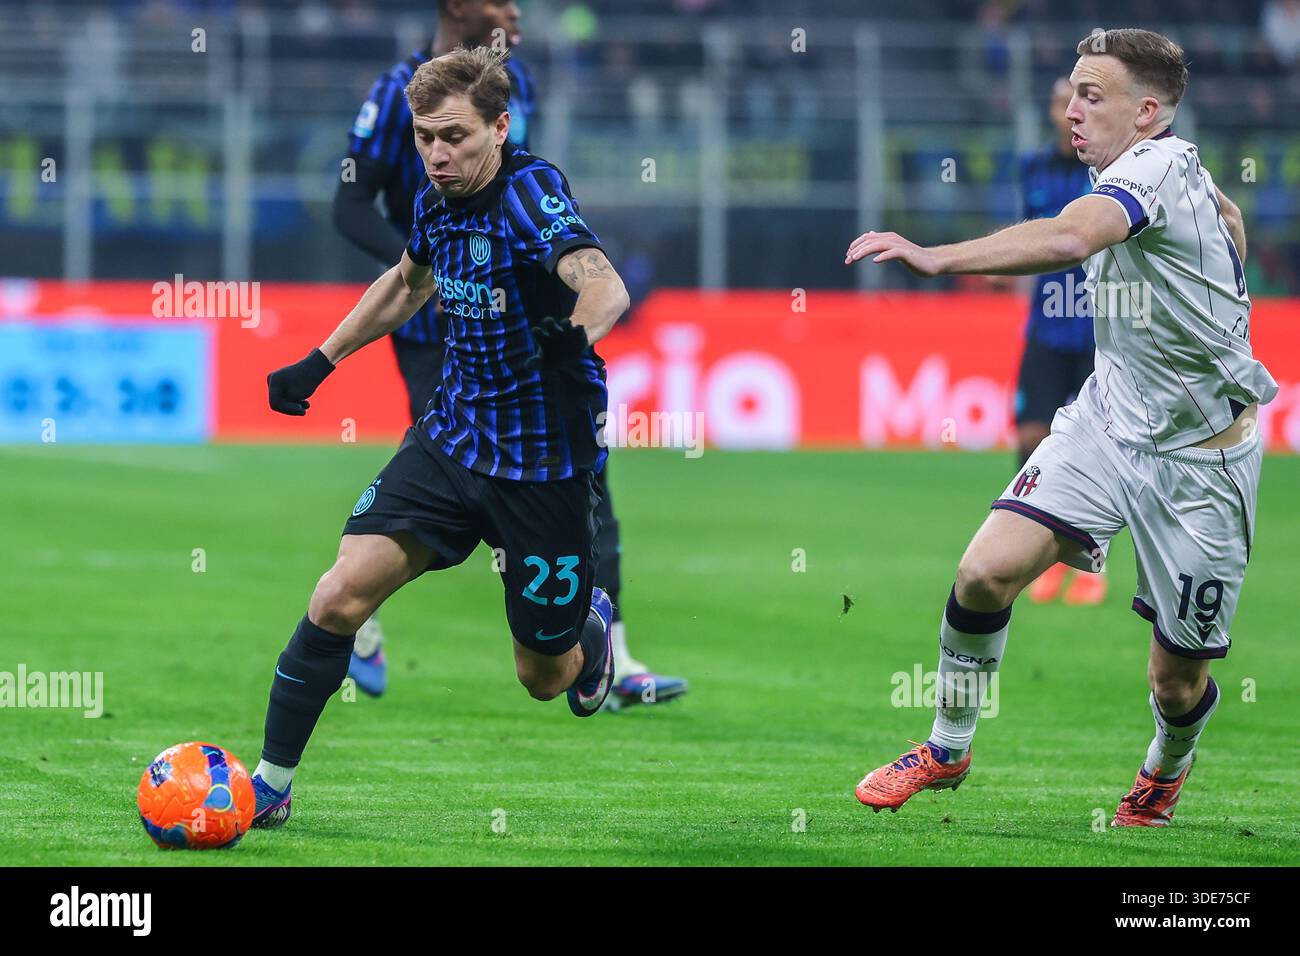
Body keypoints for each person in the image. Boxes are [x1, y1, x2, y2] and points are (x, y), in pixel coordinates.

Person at [845, 28, 1274, 827]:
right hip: (1108, 423)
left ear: (1147, 112)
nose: (1070, 110)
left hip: (1201, 466)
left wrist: (936, 257)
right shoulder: (1176, 184)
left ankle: (1165, 767)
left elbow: (1074, 235)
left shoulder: (1153, 167)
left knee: (1174, 683)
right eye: (1071, 91)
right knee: (982, 573)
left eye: (1091, 95)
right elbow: (1224, 224)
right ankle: (946, 746)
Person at [252, 47, 628, 827]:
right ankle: (271, 786)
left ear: (499, 125)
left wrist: (576, 335)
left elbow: (602, 279)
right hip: (451, 443)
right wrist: (319, 363)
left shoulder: (530, 192)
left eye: (453, 136)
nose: (436, 153)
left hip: (541, 467)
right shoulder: (433, 199)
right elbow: (406, 285)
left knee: (542, 675)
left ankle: (587, 636)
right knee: (338, 593)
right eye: (424, 136)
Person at [333, 0, 686, 709]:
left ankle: (598, 652)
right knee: (442, 486)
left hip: (525, 338)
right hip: (439, 339)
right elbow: (347, 206)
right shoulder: (393, 89)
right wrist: (426, 275)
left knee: (579, 483)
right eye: (505, 2)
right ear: (461, 7)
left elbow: (520, 205)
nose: (518, 15)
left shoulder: (508, 86)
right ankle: (356, 610)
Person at [1014, 77, 1106, 606]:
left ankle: (1091, 563)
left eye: (1079, 99)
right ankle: (1038, 556)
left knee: (1100, 449)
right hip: (1046, 328)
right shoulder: (1033, 168)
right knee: (1031, 438)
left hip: (1099, 331)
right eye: (1057, 101)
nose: (1067, 110)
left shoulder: (1112, 170)